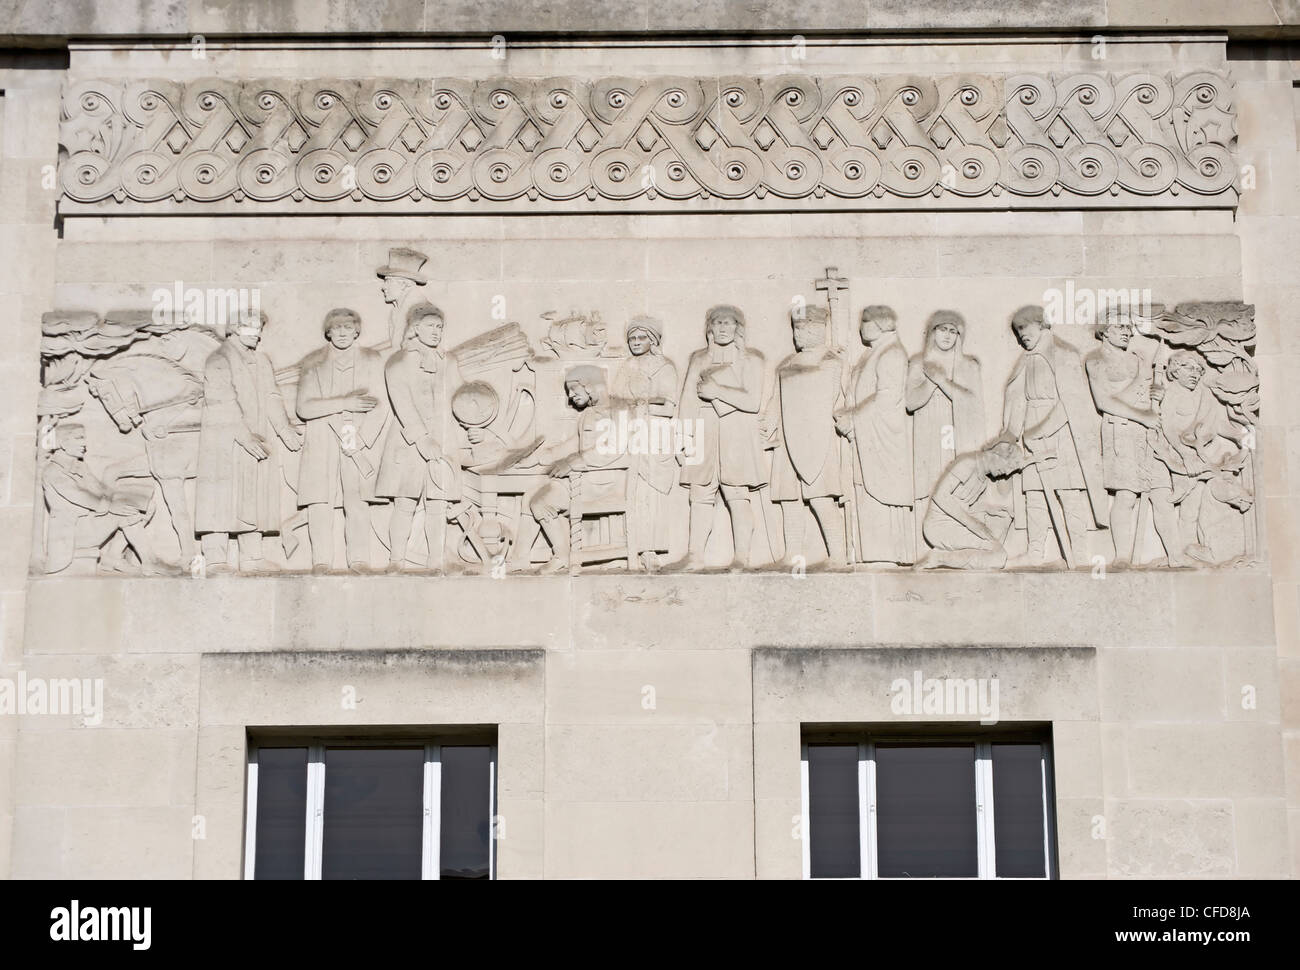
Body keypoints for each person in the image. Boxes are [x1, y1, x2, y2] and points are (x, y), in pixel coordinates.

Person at [194, 309, 302, 574]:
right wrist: (244, 437)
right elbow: (222, 403)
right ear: (234, 328)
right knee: (221, 498)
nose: (258, 334)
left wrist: (285, 429)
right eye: (252, 328)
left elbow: (272, 396)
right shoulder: (218, 360)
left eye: (259, 329)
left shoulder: (261, 361)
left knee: (254, 498)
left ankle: (252, 557)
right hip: (226, 442)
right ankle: (216, 558)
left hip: (257, 438)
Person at [1001, 304, 1105, 567]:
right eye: (1017, 331)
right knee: (1034, 495)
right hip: (1031, 430)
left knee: (1069, 494)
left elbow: (1072, 402)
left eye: (1024, 327)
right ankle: (1035, 553)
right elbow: (1018, 400)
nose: (1021, 335)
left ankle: (1079, 556)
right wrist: (1012, 435)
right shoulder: (1026, 359)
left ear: (1040, 324)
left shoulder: (1064, 353)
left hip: (1061, 432)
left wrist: (1041, 430)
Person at [1084, 310, 1189, 566]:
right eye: (1120, 326)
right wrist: (1142, 413)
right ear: (1104, 330)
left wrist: (1156, 394)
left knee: (1161, 495)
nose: (1127, 331)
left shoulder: (1138, 360)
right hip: (1120, 431)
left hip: (1149, 432)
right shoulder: (1095, 360)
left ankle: (1176, 556)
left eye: (1129, 327)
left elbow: (1149, 398)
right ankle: (1122, 556)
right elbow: (1104, 401)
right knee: (1127, 495)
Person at [295, 308, 388, 573]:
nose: (343, 333)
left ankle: (359, 559)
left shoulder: (372, 359)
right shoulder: (313, 362)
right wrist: (345, 403)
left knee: (357, 500)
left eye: (348, 327)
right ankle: (321, 560)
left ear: (357, 330)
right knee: (319, 502)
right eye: (337, 328)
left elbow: (382, 405)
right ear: (329, 332)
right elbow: (304, 407)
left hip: (357, 437)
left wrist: (363, 439)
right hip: (322, 436)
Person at [674, 305, 767, 570]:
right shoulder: (699, 358)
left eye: (729, 323)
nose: (723, 328)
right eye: (718, 323)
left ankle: (741, 557)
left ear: (738, 327)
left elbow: (752, 401)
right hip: (703, 428)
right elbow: (688, 400)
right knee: (700, 492)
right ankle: (695, 555)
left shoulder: (752, 359)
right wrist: (683, 434)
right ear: (710, 328)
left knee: (737, 492)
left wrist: (717, 391)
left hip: (736, 430)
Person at [376, 302, 464, 573]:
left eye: (439, 327)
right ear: (415, 328)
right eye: (430, 326)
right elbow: (402, 404)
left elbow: (458, 397)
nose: (436, 332)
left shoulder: (447, 361)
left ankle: (435, 561)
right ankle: (396, 559)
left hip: (444, 440)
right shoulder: (398, 362)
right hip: (409, 443)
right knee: (405, 502)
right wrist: (422, 439)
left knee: (438, 503)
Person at [766, 304, 847, 566]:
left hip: (816, 440)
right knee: (789, 500)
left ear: (820, 328)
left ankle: (838, 555)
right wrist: (768, 421)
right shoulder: (787, 362)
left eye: (805, 327)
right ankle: (792, 554)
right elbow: (776, 399)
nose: (799, 333)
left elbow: (829, 397)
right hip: (787, 440)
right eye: (796, 328)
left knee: (821, 499)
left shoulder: (830, 361)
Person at [529, 365, 628, 573]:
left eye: (574, 389)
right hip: (587, 477)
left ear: (590, 386)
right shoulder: (588, 414)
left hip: (606, 482)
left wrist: (575, 462)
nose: (570, 397)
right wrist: (546, 455)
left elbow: (614, 448)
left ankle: (561, 556)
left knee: (541, 502)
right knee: (533, 494)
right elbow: (576, 442)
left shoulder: (618, 411)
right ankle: (524, 557)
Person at [837, 306, 915, 564]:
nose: (861, 327)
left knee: (878, 494)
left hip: (882, 439)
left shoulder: (892, 353)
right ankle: (869, 554)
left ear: (880, 324)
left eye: (865, 322)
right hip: (867, 437)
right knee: (863, 490)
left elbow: (887, 397)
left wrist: (854, 418)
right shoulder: (871, 354)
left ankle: (884, 555)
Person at [906, 310, 984, 550]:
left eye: (953, 331)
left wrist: (942, 381)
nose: (948, 336)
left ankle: (958, 542)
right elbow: (910, 401)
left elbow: (973, 402)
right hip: (928, 430)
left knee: (954, 480)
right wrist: (931, 381)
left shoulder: (968, 365)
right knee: (928, 480)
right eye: (943, 329)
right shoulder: (919, 362)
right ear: (932, 332)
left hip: (956, 432)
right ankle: (926, 544)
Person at [41, 423, 162, 575]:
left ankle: (113, 558)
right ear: (63, 443)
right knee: (126, 512)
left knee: (145, 505)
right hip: (72, 532)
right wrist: (112, 506)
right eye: (79, 438)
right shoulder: (53, 471)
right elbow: (78, 495)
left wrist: (126, 493)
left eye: (83, 438)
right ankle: (148, 561)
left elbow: (100, 490)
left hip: (89, 523)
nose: (84, 443)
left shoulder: (80, 466)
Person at [610, 315, 679, 572]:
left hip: (656, 436)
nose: (636, 343)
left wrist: (643, 407)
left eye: (641, 338)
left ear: (652, 340)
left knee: (653, 494)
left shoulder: (665, 367)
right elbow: (615, 399)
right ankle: (631, 547)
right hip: (631, 434)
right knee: (634, 493)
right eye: (632, 339)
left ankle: (651, 549)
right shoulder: (627, 367)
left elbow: (669, 408)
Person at [917, 439, 1022, 570]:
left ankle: (944, 557)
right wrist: (973, 524)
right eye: (1009, 466)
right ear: (997, 455)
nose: (1007, 473)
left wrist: (992, 510)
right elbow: (941, 496)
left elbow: (964, 506)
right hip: (938, 526)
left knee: (996, 551)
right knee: (998, 555)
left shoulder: (982, 479)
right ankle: (938, 558)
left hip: (955, 524)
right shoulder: (967, 463)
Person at [376, 247, 429, 351]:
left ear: (404, 284)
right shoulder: (396, 311)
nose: (383, 287)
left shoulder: (420, 311)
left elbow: (407, 349)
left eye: (388, 281)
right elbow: (395, 345)